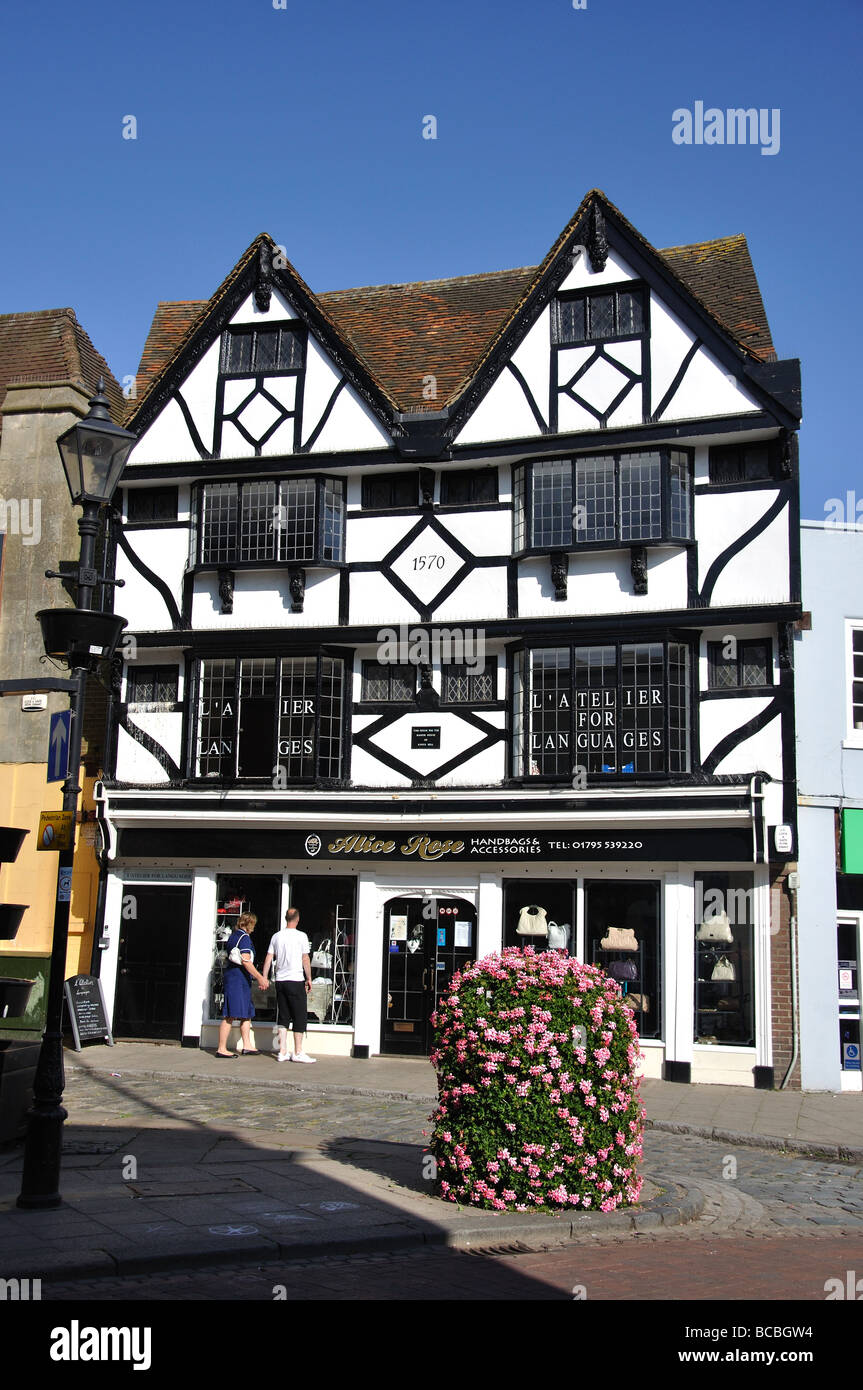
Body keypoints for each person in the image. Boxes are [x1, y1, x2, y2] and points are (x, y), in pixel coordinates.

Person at [262, 906, 315, 1063]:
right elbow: (305, 959)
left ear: (286, 919)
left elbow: (268, 958)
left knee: (283, 1016)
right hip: (295, 980)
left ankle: (283, 1051)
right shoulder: (301, 936)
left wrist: (264, 977)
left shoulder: (276, 936)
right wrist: (309, 978)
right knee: (299, 1016)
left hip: (281, 981)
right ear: (297, 919)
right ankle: (297, 1051)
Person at [216, 912, 267, 1058]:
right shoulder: (244, 938)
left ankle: (247, 1045)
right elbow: (246, 961)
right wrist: (260, 977)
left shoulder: (233, 936)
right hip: (238, 979)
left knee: (246, 1012)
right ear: (250, 924)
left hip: (236, 978)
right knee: (231, 1013)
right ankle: (221, 1048)